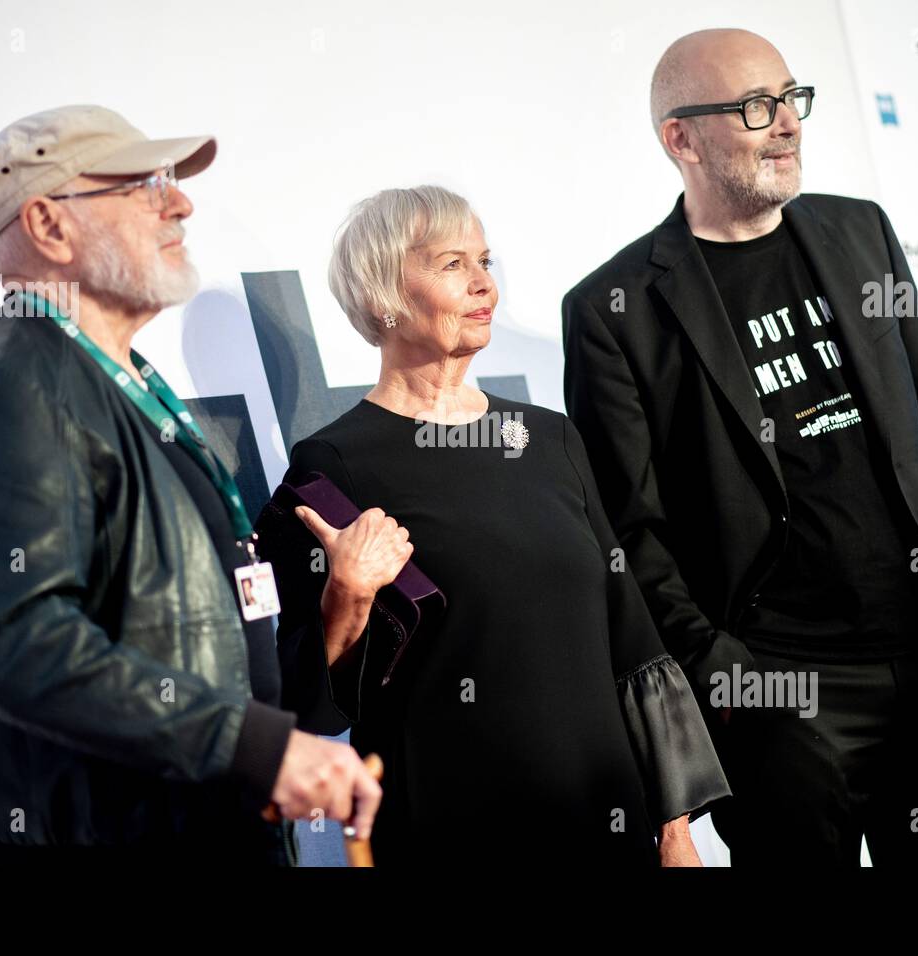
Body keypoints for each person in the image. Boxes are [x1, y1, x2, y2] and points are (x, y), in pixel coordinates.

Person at [562, 30, 918, 866]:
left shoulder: (862, 233)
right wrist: (729, 680)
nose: (786, 124)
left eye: (790, 98)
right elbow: (635, 529)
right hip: (783, 690)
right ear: (682, 138)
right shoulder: (615, 307)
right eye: (755, 107)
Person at [0, 104, 380, 865]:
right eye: (142, 186)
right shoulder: (12, 383)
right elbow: (20, 642)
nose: (181, 202)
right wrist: (250, 743)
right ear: (48, 225)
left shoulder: (122, 381)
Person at [261, 185, 730, 868]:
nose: (485, 283)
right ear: (383, 290)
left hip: (606, 819)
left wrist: (675, 827)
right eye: (453, 264)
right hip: (452, 828)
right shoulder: (333, 465)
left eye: (485, 261)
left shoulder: (550, 439)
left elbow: (630, 634)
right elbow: (309, 705)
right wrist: (348, 593)